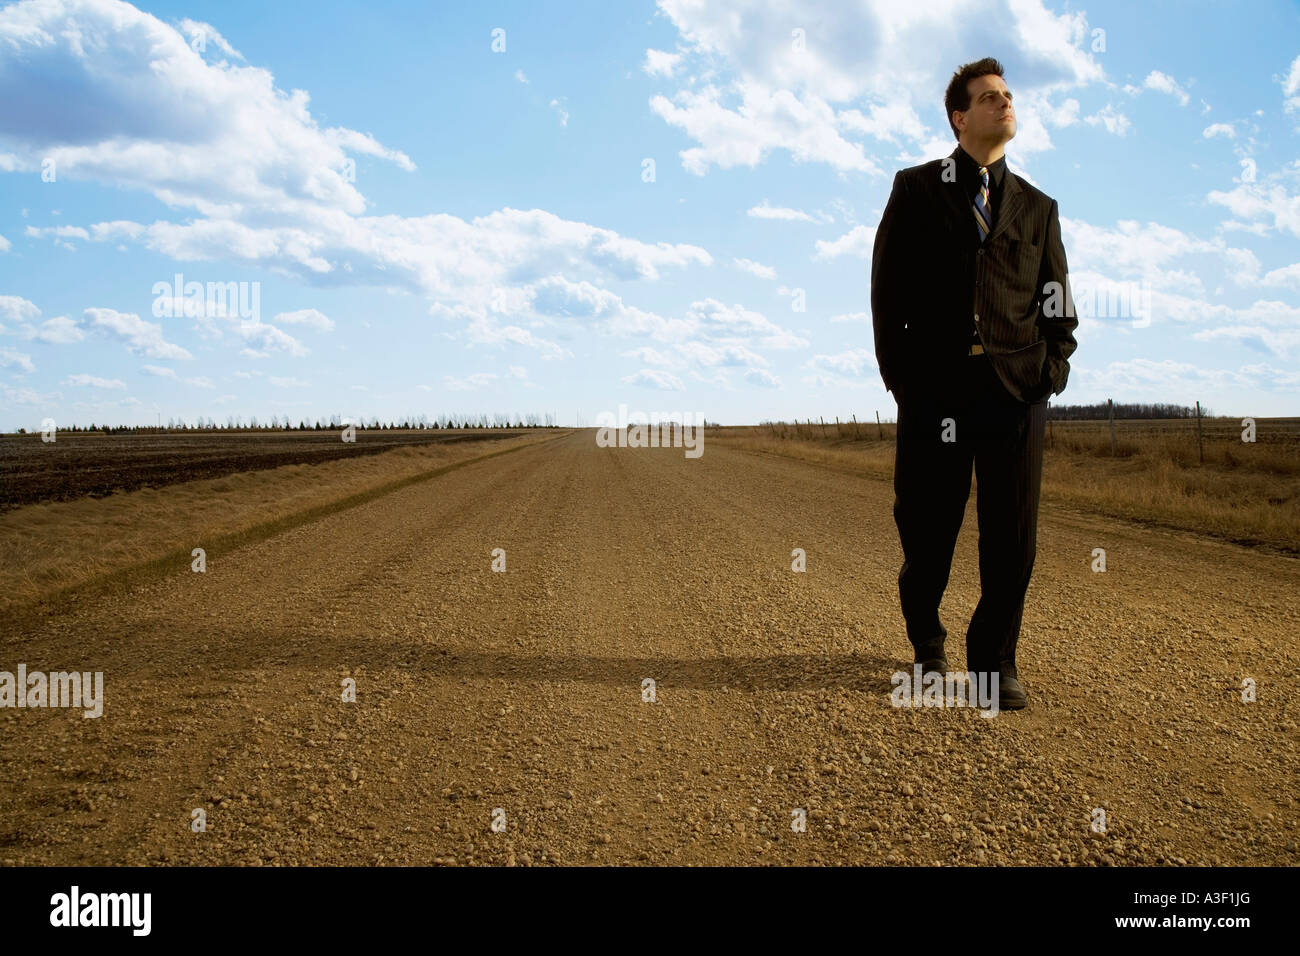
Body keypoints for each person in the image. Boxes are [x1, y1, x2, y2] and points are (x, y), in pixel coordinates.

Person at [870, 57, 1079, 710]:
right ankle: (928, 643)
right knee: (927, 524)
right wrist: (903, 380)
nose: (1004, 104)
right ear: (960, 117)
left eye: (1009, 96)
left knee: (1012, 536)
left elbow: (1055, 300)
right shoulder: (915, 189)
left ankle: (995, 662)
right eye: (989, 97)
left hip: (1015, 393)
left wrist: (1051, 370)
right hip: (936, 389)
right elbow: (886, 293)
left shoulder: (1038, 208)